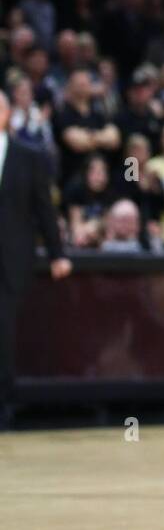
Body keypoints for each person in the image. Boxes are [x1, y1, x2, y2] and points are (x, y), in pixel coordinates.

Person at [0, 91, 71, 429]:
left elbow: (44, 207)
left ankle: (4, 404)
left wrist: (57, 253)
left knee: (4, 333)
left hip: (10, 259)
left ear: (8, 114)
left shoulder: (28, 155)